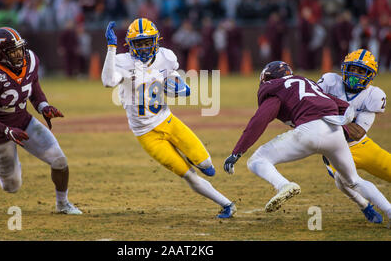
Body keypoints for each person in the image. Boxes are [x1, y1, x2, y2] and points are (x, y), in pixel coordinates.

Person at [223, 61, 391, 227]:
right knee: (354, 180)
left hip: (309, 131)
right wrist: (343, 123)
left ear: (267, 78)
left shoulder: (275, 88)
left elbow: (260, 120)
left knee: (257, 160)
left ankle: (284, 185)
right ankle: (389, 210)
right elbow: (343, 106)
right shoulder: (307, 82)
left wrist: (237, 151)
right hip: (336, 132)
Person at [101, 18, 236, 218]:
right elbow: (107, 81)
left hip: (168, 121)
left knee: (207, 166)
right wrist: (111, 48)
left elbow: (171, 78)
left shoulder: (167, 57)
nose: (145, 47)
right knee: (189, 175)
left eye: (148, 41)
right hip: (146, 134)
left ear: (156, 40)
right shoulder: (122, 61)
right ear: (129, 44)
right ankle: (227, 204)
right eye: (139, 43)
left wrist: (180, 86)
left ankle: (200, 161)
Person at [0, 27, 82, 215]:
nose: (19, 54)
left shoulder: (29, 60)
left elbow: (33, 85)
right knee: (12, 186)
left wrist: (43, 106)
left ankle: (63, 204)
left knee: (60, 161)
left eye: (20, 49)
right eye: (13, 51)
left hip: (24, 122)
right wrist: (6, 130)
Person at [317, 49, 389, 223]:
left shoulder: (374, 95)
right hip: (334, 150)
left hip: (360, 146)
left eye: (361, 71)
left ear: (370, 75)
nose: (355, 74)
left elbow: (357, 133)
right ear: (344, 67)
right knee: (344, 182)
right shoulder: (329, 81)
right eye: (352, 68)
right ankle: (364, 205)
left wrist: (328, 119)